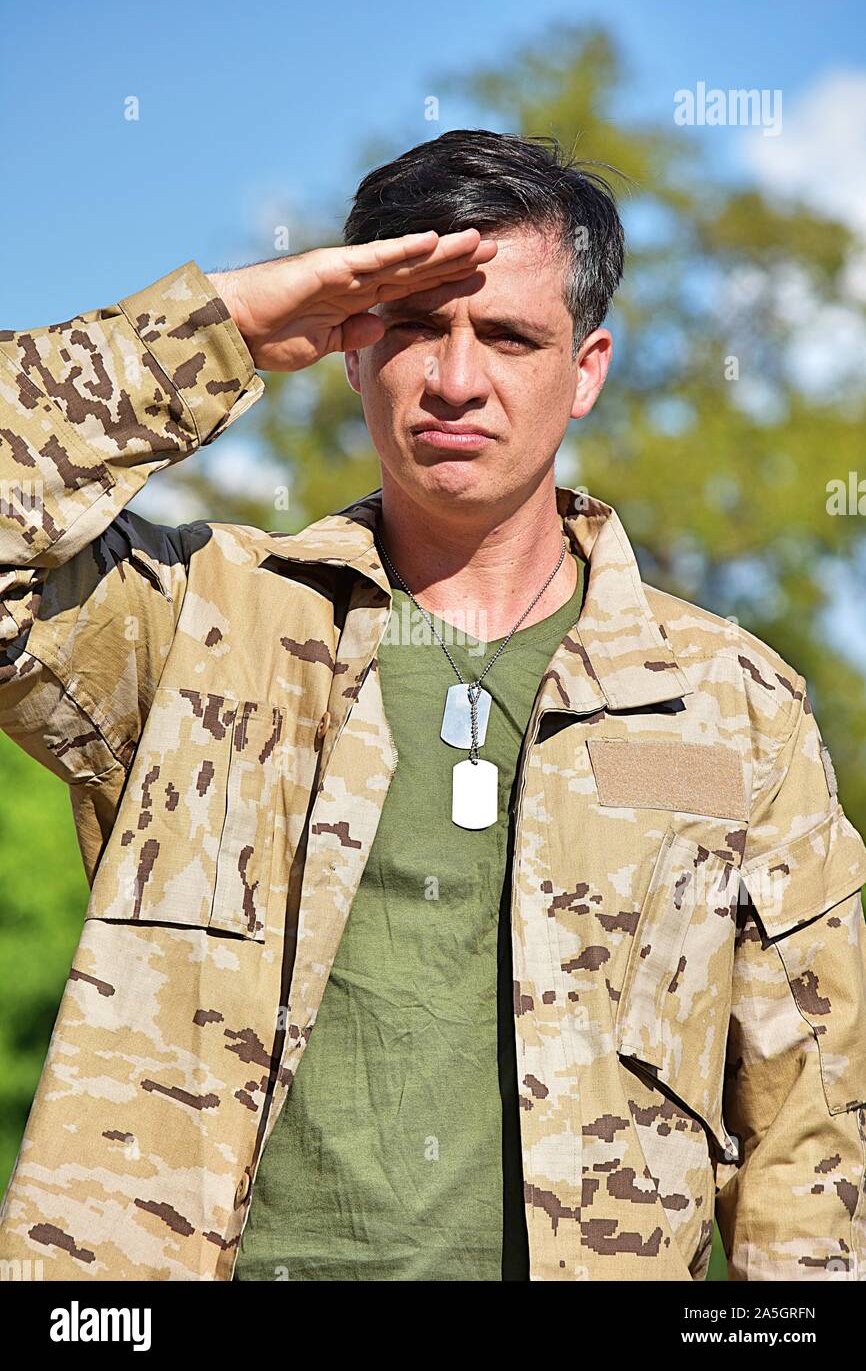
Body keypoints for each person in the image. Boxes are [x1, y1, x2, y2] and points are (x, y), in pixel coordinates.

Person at [1, 128, 865, 1283]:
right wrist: (215, 332)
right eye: (414, 328)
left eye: (509, 336)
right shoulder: (197, 623)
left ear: (587, 369)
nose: (455, 381)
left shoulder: (734, 706)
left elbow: (811, 1141)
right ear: (355, 352)